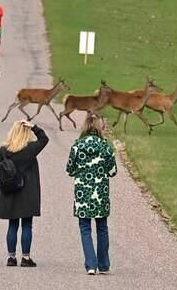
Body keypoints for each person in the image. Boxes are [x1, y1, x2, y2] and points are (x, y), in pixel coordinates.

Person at [66, 114, 118, 275]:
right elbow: (113, 171)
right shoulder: (105, 146)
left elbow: (70, 169)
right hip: (100, 193)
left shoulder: (77, 146)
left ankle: (91, 264)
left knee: (85, 228)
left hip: (83, 193)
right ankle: (103, 263)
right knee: (102, 227)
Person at [0, 120, 48, 268]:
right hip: (27, 193)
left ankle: (11, 258)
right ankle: (26, 258)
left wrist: (4, 187)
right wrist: (34, 127)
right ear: (26, 133)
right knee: (26, 225)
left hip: (9, 192)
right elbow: (44, 139)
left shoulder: (3, 151)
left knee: (12, 225)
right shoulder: (30, 149)